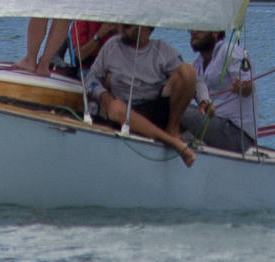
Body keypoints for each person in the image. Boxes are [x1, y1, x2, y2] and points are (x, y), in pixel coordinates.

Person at [84, 26, 198, 164]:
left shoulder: (161, 48)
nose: (122, 28)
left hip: (155, 106)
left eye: (128, 26)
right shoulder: (112, 45)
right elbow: (91, 78)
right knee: (115, 108)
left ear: (146, 29)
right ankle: (173, 142)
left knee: (188, 71)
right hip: (125, 108)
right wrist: (102, 94)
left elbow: (194, 78)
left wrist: (203, 99)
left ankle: (172, 128)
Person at [188, 30, 258, 153]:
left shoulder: (230, 51)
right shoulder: (196, 63)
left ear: (215, 32)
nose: (193, 32)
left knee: (178, 110)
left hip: (234, 132)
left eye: (199, 28)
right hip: (214, 125)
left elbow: (248, 88)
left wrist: (243, 87)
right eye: (191, 28)